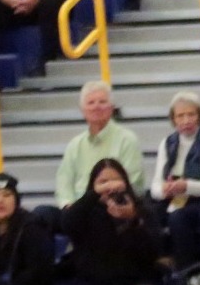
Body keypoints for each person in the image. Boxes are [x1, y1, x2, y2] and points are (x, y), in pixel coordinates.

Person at [53, 82, 145, 212]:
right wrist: (68, 206)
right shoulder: (75, 145)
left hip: (111, 206)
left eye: (102, 102)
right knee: (43, 214)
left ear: (112, 108)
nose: (96, 107)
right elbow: (64, 184)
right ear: (82, 110)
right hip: (77, 211)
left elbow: (132, 183)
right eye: (91, 103)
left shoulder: (127, 140)